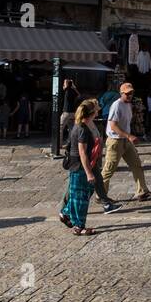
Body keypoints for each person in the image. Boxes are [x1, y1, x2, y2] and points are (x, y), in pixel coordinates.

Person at [101, 82, 151, 201]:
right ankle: (100, 195)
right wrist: (129, 136)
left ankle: (142, 191)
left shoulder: (128, 105)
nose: (130, 95)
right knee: (109, 169)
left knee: (136, 164)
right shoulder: (117, 105)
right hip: (115, 141)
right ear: (121, 93)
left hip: (125, 140)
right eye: (127, 94)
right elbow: (113, 125)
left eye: (131, 93)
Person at [59, 99, 102, 235]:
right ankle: (79, 227)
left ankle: (66, 213)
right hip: (79, 166)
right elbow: (82, 152)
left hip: (76, 165)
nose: (98, 111)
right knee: (80, 197)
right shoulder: (82, 129)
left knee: (83, 192)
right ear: (92, 113)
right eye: (96, 109)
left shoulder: (80, 125)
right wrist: (89, 172)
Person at [58, 79, 79, 153]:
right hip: (73, 113)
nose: (63, 85)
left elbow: (63, 89)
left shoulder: (66, 91)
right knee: (71, 129)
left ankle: (59, 144)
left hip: (66, 112)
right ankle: (70, 144)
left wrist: (68, 84)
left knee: (60, 128)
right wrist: (73, 86)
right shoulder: (73, 91)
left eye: (64, 83)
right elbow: (78, 94)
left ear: (66, 84)